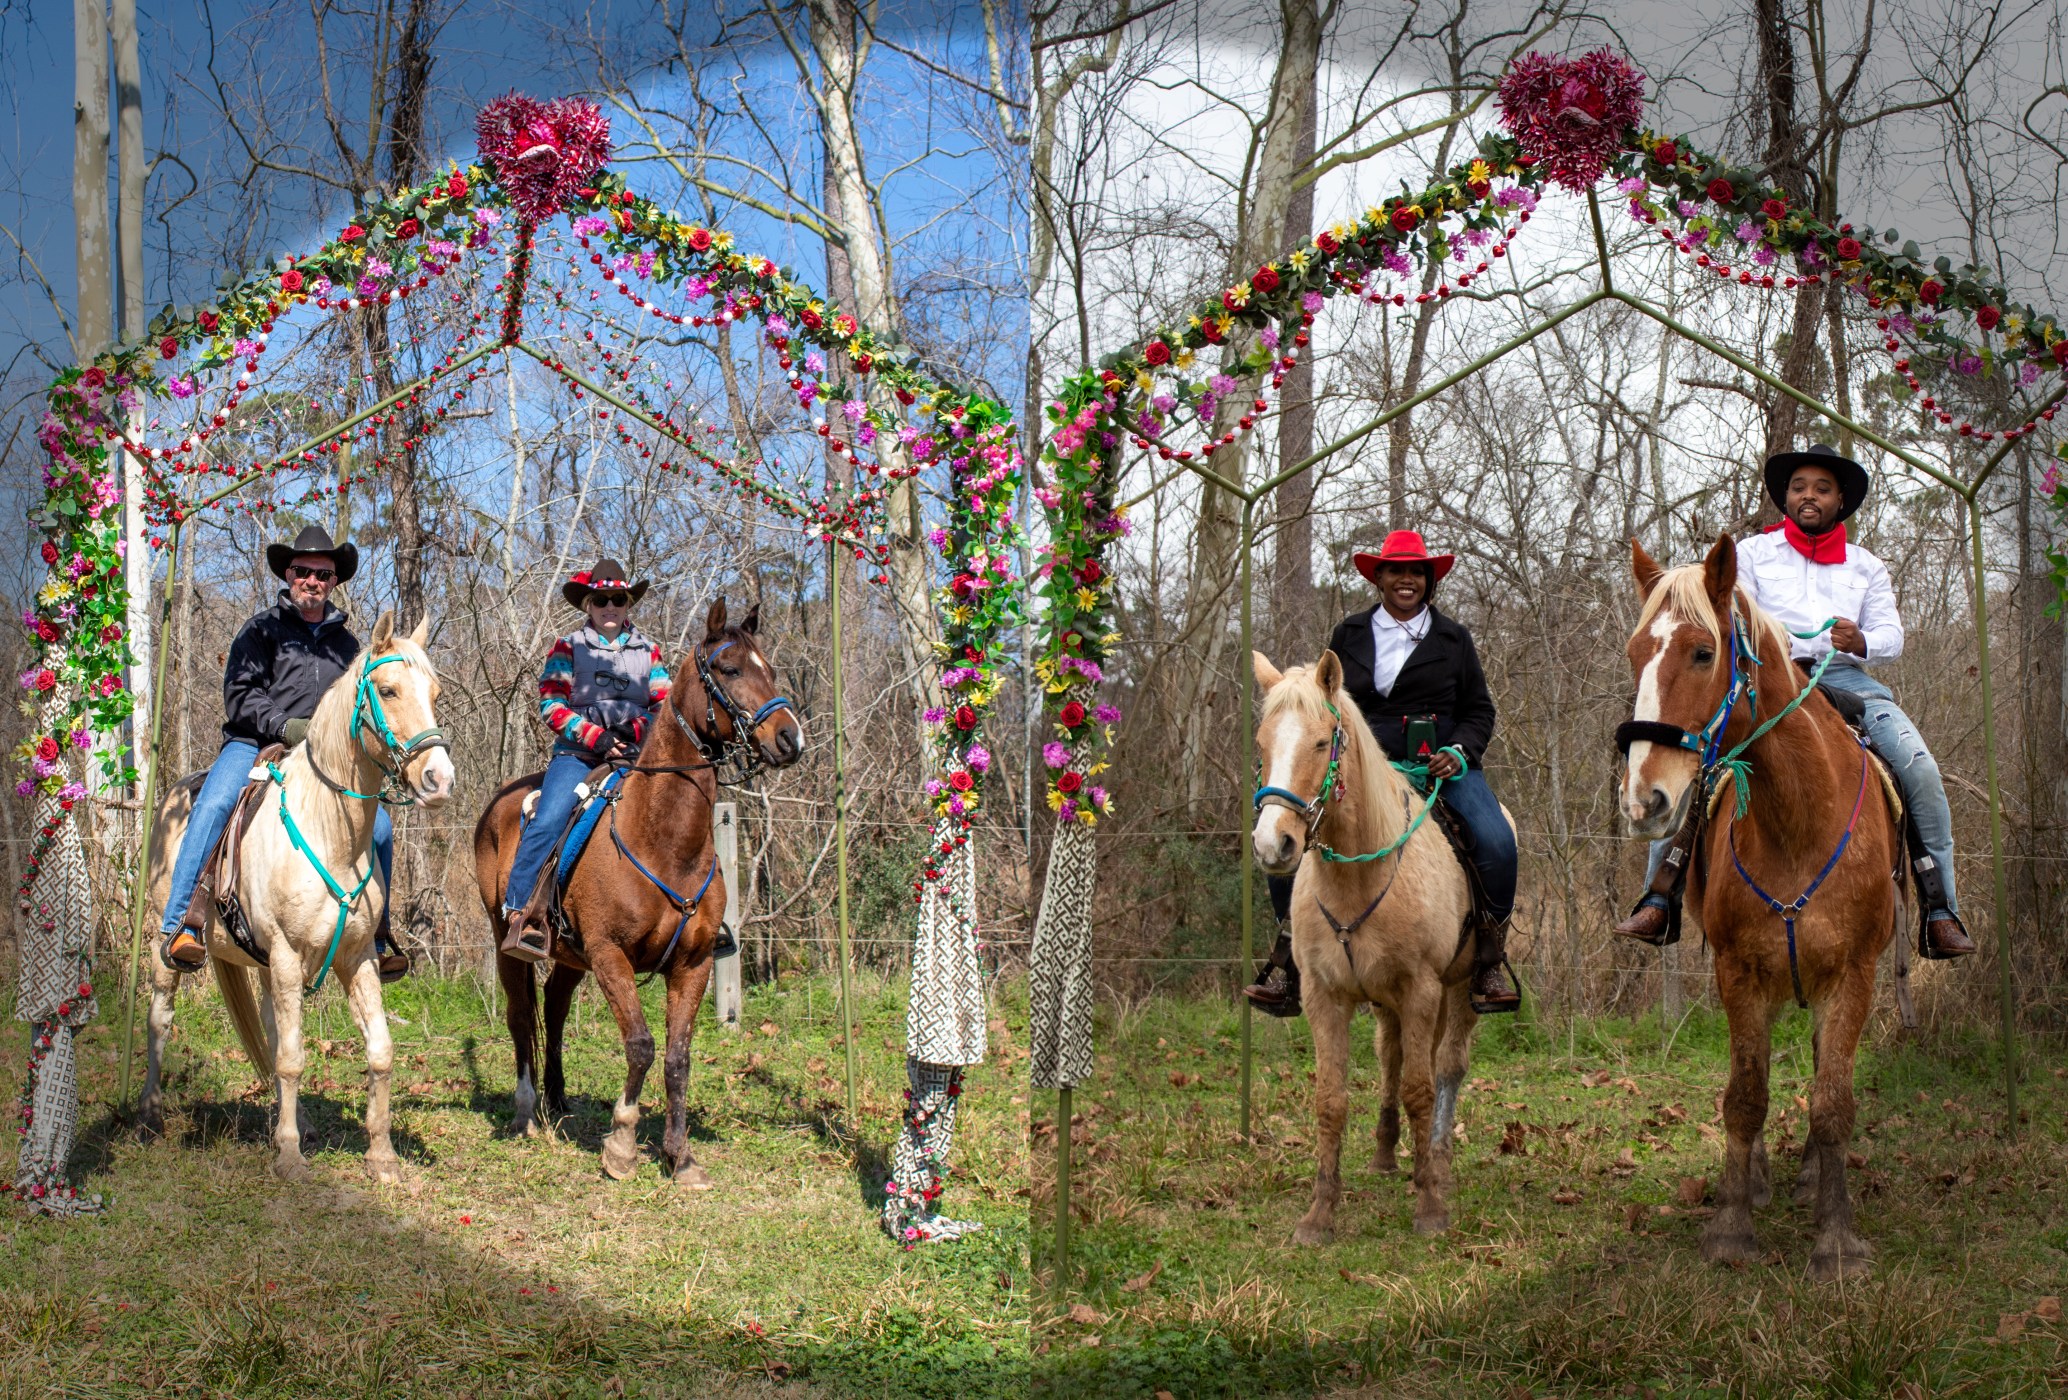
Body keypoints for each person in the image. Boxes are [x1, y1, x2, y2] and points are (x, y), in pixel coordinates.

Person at [1614, 443, 1975, 958]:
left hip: (1853, 687)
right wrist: (1775, 640)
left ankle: (1940, 909)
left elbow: (1892, 633)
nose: (1809, 496)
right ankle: (1660, 895)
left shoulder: (1865, 566)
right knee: (1697, 753)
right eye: (1799, 487)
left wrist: (1863, 642)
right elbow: (1739, 616)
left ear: (1840, 500)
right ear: (1786, 497)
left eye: (1822, 488)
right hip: (1772, 685)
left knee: (1919, 769)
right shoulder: (1753, 554)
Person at [1244, 530, 1522, 1016]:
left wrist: (1459, 751)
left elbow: (1480, 710)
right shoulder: (1349, 634)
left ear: (1429, 580)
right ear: (1380, 578)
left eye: (1416, 572)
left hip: (1440, 768)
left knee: (1495, 838)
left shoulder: (1455, 639)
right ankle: (1290, 959)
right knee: (1290, 832)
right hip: (1366, 769)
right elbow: (1326, 706)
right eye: (1396, 571)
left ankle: (1487, 957)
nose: (1406, 580)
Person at [160, 525, 408, 980]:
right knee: (215, 804)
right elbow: (239, 693)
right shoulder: (260, 631)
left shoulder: (348, 647)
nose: (312, 580)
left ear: (334, 582)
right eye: (303, 571)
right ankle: (183, 922)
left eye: (322, 574)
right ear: (288, 574)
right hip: (254, 744)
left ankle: (377, 932)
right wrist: (286, 726)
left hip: (321, 762)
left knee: (382, 829)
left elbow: (360, 710)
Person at [499, 558, 671, 963]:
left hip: (636, 755)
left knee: (681, 811)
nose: (609, 606)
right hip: (578, 755)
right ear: (588, 605)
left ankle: (699, 914)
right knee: (550, 817)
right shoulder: (568, 647)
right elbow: (551, 704)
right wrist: (596, 735)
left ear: (628, 603)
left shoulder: (649, 651)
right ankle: (521, 912)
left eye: (618, 599)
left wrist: (632, 731)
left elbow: (664, 704)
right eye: (601, 600)